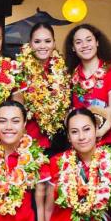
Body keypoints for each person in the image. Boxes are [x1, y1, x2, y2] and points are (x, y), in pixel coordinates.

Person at [65, 24, 111, 153]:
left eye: (89, 40)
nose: (85, 45)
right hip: (80, 145)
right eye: (78, 42)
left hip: (109, 144)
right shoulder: (69, 76)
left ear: (97, 42)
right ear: (73, 48)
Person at [16, 23, 70, 151]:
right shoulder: (20, 70)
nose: (42, 46)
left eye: (47, 41)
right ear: (30, 44)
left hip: (59, 140)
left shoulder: (63, 69)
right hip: (29, 141)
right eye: (37, 41)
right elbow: (17, 108)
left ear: (54, 43)